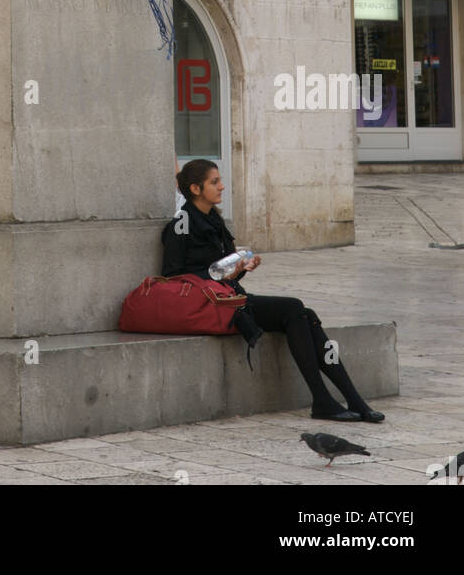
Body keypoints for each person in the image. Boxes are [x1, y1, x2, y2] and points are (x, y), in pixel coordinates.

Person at [161, 158, 384, 423]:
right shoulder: (180, 225)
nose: (222, 187)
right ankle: (323, 400)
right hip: (212, 307)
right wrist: (221, 274)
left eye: (220, 181)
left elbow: (226, 269)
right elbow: (173, 278)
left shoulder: (214, 221)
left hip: (231, 299)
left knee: (306, 315)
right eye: (214, 182)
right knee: (293, 308)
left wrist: (243, 266)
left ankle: (351, 398)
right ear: (196, 189)